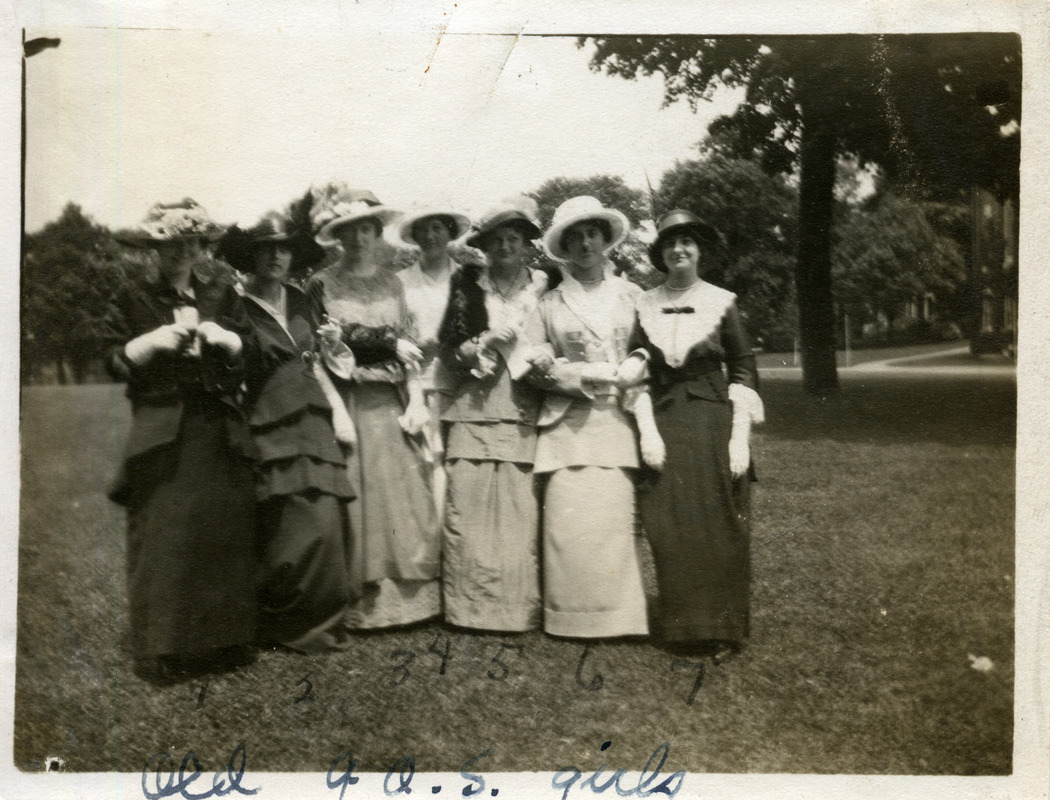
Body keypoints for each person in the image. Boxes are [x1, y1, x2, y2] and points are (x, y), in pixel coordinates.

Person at [103, 199, 258, 682]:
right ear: (155, 249)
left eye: (191, 242)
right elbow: (108, 358)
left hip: (217, 424)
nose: (182, 251)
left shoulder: (222, 293)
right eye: (171, 244)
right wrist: (143, 346)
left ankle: (223, 640)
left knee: (220, 530)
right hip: (162, 425)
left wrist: (229, 341)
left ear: (203, 246)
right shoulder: (132, 296)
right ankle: (163, 647)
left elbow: (249, 351)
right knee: (163, 534)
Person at [215, 214, 356, 652]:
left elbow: (317, 358)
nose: (275, 255)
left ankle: (323, 621)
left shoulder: (302, 300)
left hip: (313, 415)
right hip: (267, 417)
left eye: (283, 248)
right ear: (250, 257)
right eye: (265, 248)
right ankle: (282, 622)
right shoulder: (234, 304)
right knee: (288, 521)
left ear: (293, 255)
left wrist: (337, 400)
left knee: (328, 517)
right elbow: (229, 370)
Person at [631, 209, 764, 658]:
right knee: (670, 523)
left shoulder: (722, 301)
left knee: (718, 521)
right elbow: (637, 368)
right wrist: (647, 430)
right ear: (661, 254)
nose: (678, 249)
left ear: (699, 250)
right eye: (670, 243)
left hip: (712, 419)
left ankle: (723, 628)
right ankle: (684, 626)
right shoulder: (645, 304)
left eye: (686, 241)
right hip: (666, 418)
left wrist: (738, 435)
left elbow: (744, 369)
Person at [306, 188, 440, 629]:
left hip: (391, 399)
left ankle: (409, 603)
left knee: (403, 495)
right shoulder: (321, 284)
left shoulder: (394, 283)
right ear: (338, 235)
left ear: (377, 232)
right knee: (357, 492)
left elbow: (410, 346)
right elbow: (321, 344)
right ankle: (359, 604)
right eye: (350, 231)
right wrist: (382, 344)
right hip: (346, 399)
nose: (360, 238)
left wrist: (416, 395)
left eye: (367, 229)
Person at [525, 195, 655, 638]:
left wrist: (636, 361)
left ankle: (618, 617)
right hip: (567, 426)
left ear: (606, 241)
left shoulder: (633, 295)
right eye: (575, 236)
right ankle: (568, 616)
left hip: (617, 422)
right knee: (568, 520)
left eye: (592, 234)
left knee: (612, 522)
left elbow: (651, 350)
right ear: (564, 245)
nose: (585, 243)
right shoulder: (549, 303)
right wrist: (576, 373)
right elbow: (531, 364)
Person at [436, 199, 549, 631]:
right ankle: (468, 610)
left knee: (519, 512)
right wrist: (480, 342)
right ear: (483, 246)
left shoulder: (544, 285)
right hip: (473, 406)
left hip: (523, 405)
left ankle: (515, 611)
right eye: (496, 240)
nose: (505, 247)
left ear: (526, 246)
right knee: (466, 507)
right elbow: (449, 351)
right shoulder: (467, 284)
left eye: (513, 239)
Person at [396, 206, 472, 517]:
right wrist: (398, 343)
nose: (430, 236)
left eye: (437, 227)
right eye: (423, 229)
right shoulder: (399, 282)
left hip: (461, 384)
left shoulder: (468, 279)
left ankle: (447, 550)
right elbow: (391, 328)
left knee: (454, 466)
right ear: (413, 236)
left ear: (450, 233)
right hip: (413, 384)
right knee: (420, 464)